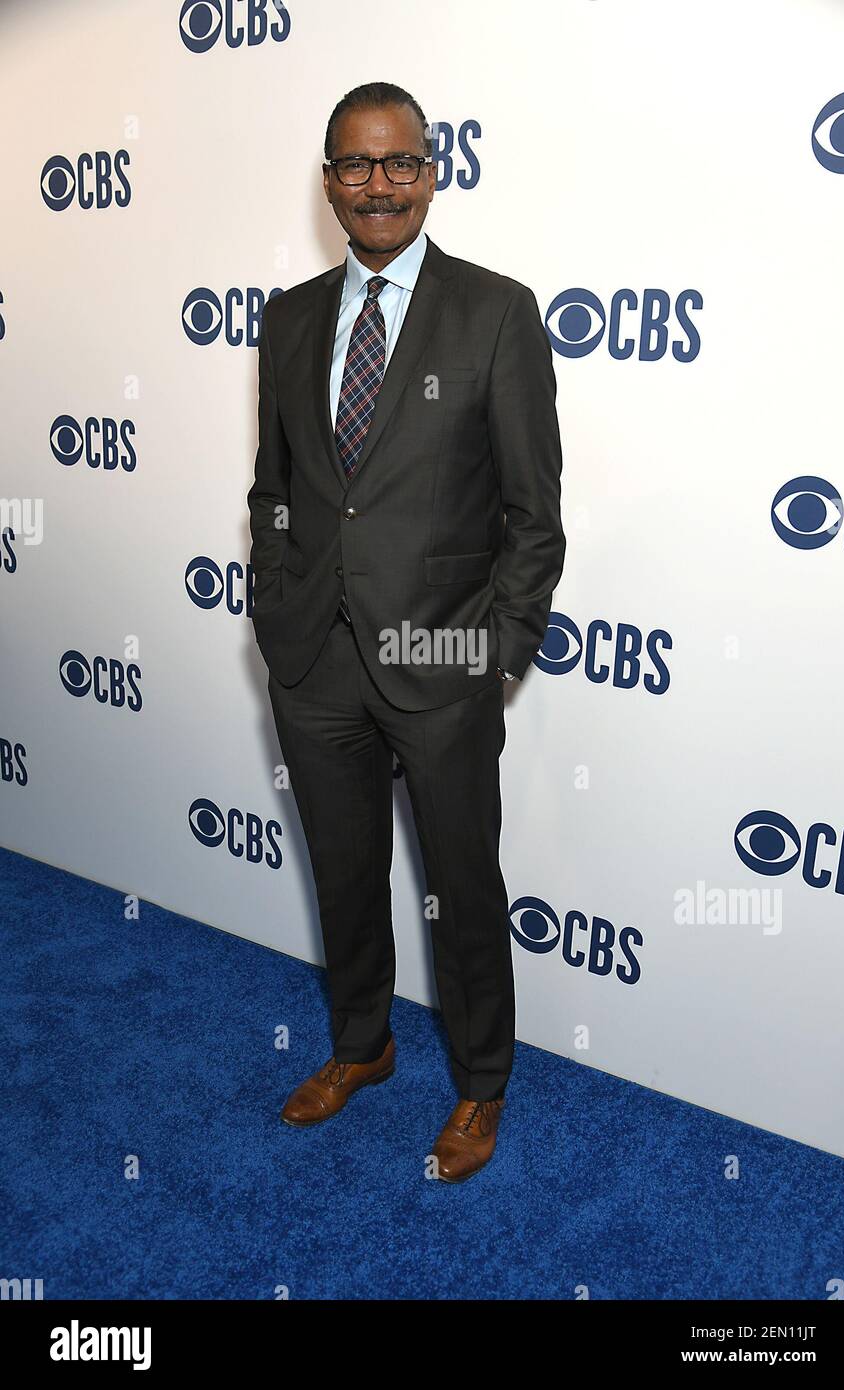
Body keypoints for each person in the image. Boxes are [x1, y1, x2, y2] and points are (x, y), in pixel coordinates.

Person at [246, 81, 565, 1182]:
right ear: (327, 181)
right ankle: (360, 1044)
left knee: (461, 884)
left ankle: (479, 1086)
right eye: (353, 164)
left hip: (442, 660)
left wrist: (494, 653)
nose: (375, 184)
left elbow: (534, 515)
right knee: (341, 871)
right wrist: (271, 596)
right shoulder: (287, 318)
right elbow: (275, 491)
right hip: (312, 658)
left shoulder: (494, 312)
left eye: (397, 163)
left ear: (429, 172)